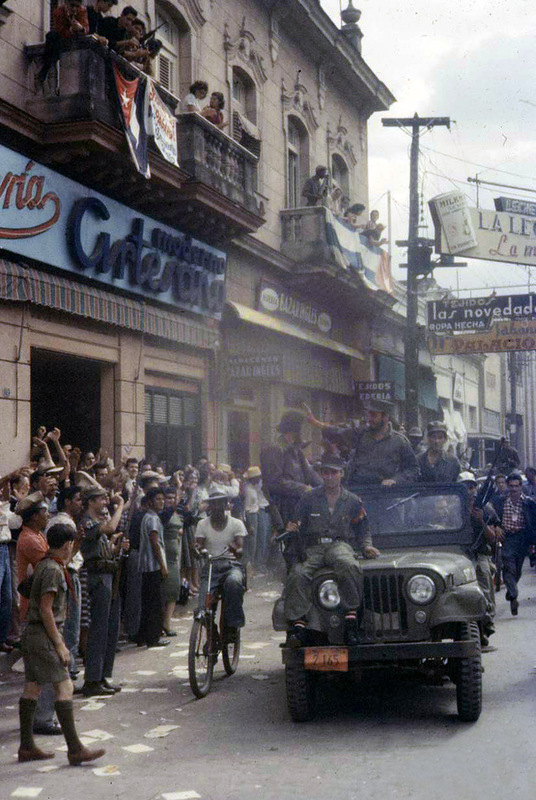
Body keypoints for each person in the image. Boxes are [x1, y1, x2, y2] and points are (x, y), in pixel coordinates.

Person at [18, 523, 105, 766]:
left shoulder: (46, 564)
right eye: (71, 545)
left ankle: (27, 746)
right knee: (65, 687)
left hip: (33, 633)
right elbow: (46, 610)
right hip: (44, 634)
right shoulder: (55, 570)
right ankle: (75, 748)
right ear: (66, 545)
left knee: (32, 688)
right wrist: (60, 645)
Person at [284, 455, 380, 647]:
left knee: (349, 565)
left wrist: (366, 546)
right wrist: (292, 528)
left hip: (339, 544)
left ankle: (351, 618)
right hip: (314, 547)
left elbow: (363, 527)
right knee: (298, 573)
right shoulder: (308, 498)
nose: (328, 477)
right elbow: (296, 521)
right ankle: (299, 624)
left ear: (341, 474)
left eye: (333, 473)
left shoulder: (352, 500)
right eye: (325, 473)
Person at [305, 399, 419, 491]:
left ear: (385, 417)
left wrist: (395, 480)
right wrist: (316, 423)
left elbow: (413, 469)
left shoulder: (400, 442)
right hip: (358, 491)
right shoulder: (361, 434)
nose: (369, 419)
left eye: (374, 415)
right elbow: (339, 431)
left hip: (384, 495)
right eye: (368, 415)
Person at [79, 485, 126, 697]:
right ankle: (93, 679)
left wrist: (116, 548)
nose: (105, 501)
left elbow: (106, 543)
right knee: (98, 630)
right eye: (100, 498)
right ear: (90, 501)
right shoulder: (87, 522)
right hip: (96, 576)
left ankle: (102, 676)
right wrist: (121, 506)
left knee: (109, 629)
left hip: (107, 573)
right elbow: (110, 528)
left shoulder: (97, 522)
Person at [194, 489, 248, 641]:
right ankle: (212, 635)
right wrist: (196, 549)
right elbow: (198, 547)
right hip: (211, 567)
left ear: (226, 505)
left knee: (233, 583)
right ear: (210, 506)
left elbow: (240, 549)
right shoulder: (202, 524)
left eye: (220, 503)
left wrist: (235, 549)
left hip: (232, 565)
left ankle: (232, 627)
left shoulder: (236, 523)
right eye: (214, 503)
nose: (217, 507)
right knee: (202, 607)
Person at [458, 472, 501, 644]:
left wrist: (481, 520)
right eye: (465, 487)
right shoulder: (453, 507)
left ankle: (487, 623)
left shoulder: (485, 508)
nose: (469, 491)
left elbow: (493, 537)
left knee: (484, 579)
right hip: (461, 554)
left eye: (471, 487)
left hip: (480, 552)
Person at [46, 487, 84, 680]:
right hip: (67, 574)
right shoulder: (62, 522)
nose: (81, 504)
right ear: (67, 501)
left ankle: (68, 671)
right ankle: (66, 672)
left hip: (69, 573)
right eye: (77, 499)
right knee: (69, 626)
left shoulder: (66, 521)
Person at [260, 410, 322, 529]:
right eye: (304, 428)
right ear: (294, 429)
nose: (307, 433)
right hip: (283, 508)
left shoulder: (296, 451)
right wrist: (304, 488)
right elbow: (273, 482)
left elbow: (311, 475)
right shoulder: (275, 449)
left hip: (298, 505)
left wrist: (328, 488)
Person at [491, 472, 536, 615]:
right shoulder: (500, 501)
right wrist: (496, 526)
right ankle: (513, 595)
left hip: (522, 538)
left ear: (521, 487)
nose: (514, 489)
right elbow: (491, 516)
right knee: (508, 567)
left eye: (516, 486)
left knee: (517, 570)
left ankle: (511, 592)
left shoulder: (528, 503)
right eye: (511, 486)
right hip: (507, 537)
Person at [135, 487, 169, 648]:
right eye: (158, 499)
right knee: (155, 603)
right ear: (150, 502)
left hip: (145, 566)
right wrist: (163, 565)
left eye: (163, 499)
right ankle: (153, 637)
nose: (161, 502)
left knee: (147, 602)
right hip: (153, 565)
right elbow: (155, 542)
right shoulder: (153, 519)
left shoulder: (147, 517)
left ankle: (142, 636)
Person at [36, 0, 90, 86]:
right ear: (66, 4)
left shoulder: (82, 11)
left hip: (77, 41)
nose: (75, 9)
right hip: (63, 40)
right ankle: (45, 69)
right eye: (72, 6)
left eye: (77, 6)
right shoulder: (58, 12)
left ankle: (44, 70)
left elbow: (86, 28)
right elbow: (60, 30)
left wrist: (80, 29)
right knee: (51, 36)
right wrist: (72, 30)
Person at [161, 487, 184, 637]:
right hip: (164, 553)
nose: (171, 501)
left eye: (173, 498)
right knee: (165, 589)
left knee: (174, 588)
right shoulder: (162, 514)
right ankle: (164, 623)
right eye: (168, 498)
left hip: (175, 554)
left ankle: (167, 622)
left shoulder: (177, 513)